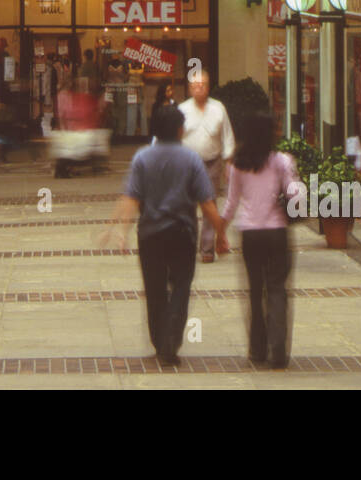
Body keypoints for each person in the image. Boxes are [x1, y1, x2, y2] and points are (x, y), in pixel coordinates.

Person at [107, 104, 229, 366]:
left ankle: (160, 340)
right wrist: (220, 232)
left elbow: (131, 197)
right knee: (181, 287)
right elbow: (206, 202)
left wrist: (122, 232)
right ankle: (171, 341)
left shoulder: (142, 158)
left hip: (150, 234)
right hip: (182, 234)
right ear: (179, 129)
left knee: (154, 290)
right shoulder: (192, 159)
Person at [221, 110, 301, 368]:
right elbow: (293, 194)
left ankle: (257, 349)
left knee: (255, 292)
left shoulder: (236, 164)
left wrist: (219, 230)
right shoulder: (281, 161)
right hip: (276, 232)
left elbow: (231, 203)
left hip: (250, 233)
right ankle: (277, 351)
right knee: (277, 289)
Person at [178, 74, 237, 263]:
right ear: (189, 88)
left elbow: (227, 136)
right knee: (187, 206)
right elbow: (174, 137)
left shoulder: (218, 109)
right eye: (195, 85)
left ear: (208, 87)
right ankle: (187, 245)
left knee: (209, 204)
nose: (199, 88)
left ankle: (207, 248)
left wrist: (229, 162)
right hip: (187, 163)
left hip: (212, 162)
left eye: (202, 84)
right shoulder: (182, 110)